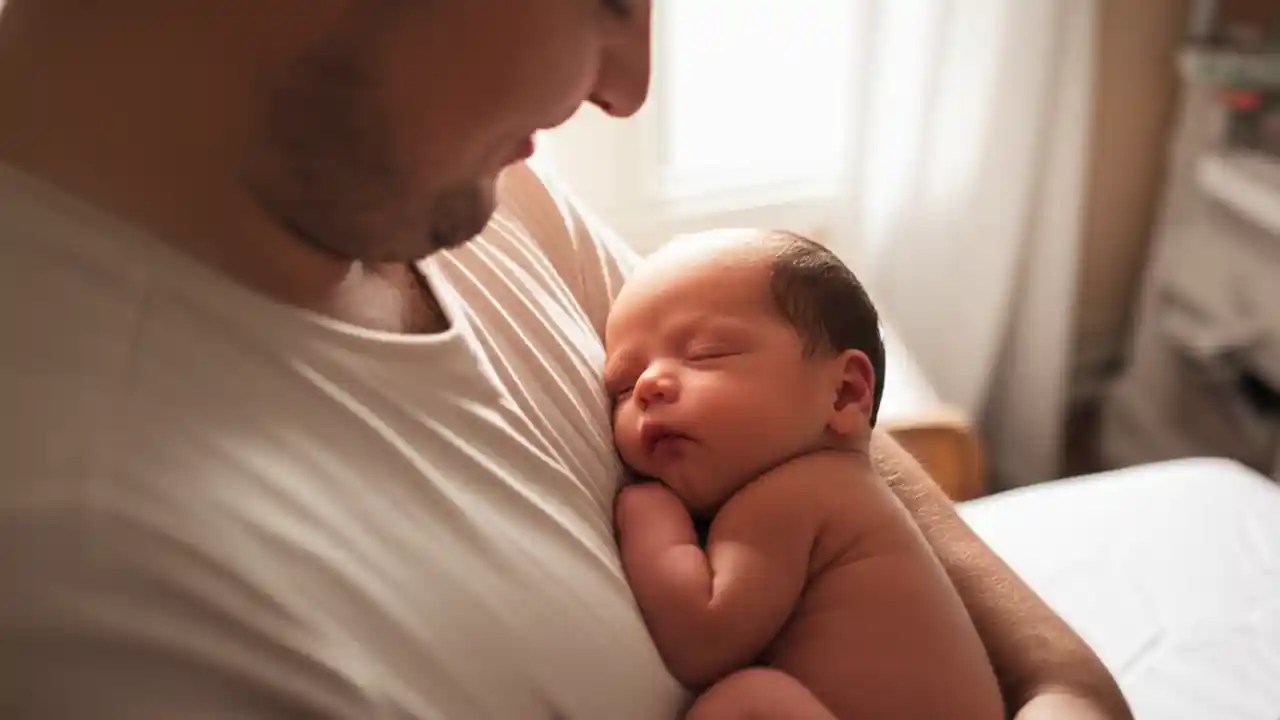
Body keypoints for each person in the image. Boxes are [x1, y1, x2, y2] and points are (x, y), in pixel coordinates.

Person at [0, 1, 1130, 717]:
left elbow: (804, 420)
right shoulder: (93, 579)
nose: (623, 84)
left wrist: (1057, 682)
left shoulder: (461, 187)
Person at [608, 230, 1004, 718]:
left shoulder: (800, 492)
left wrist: (648, 514)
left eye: (705, 354)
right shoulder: (839, 490)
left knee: (750, 699)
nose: (648, 385)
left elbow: (701, 639)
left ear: (842, 394)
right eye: (622, 386)